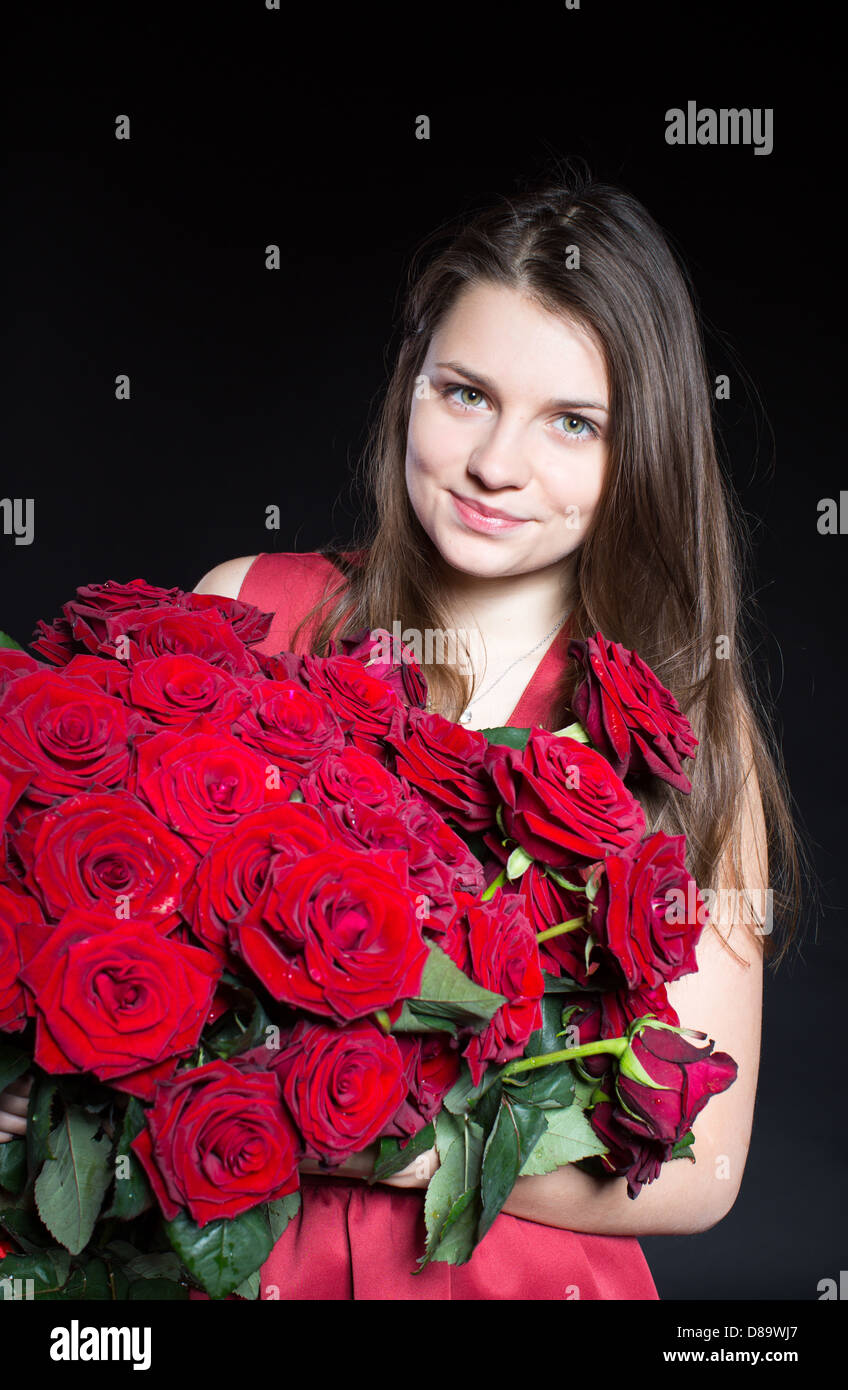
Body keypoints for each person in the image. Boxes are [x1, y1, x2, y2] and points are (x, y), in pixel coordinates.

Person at [0, 162, 807, 1299]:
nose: (494, 464)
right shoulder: (253, 607)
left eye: (572, 423)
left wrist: (381, 1135)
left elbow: (703, 1170)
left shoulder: (683, 736)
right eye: (464, 393)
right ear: (409, 384)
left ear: (645, 451)